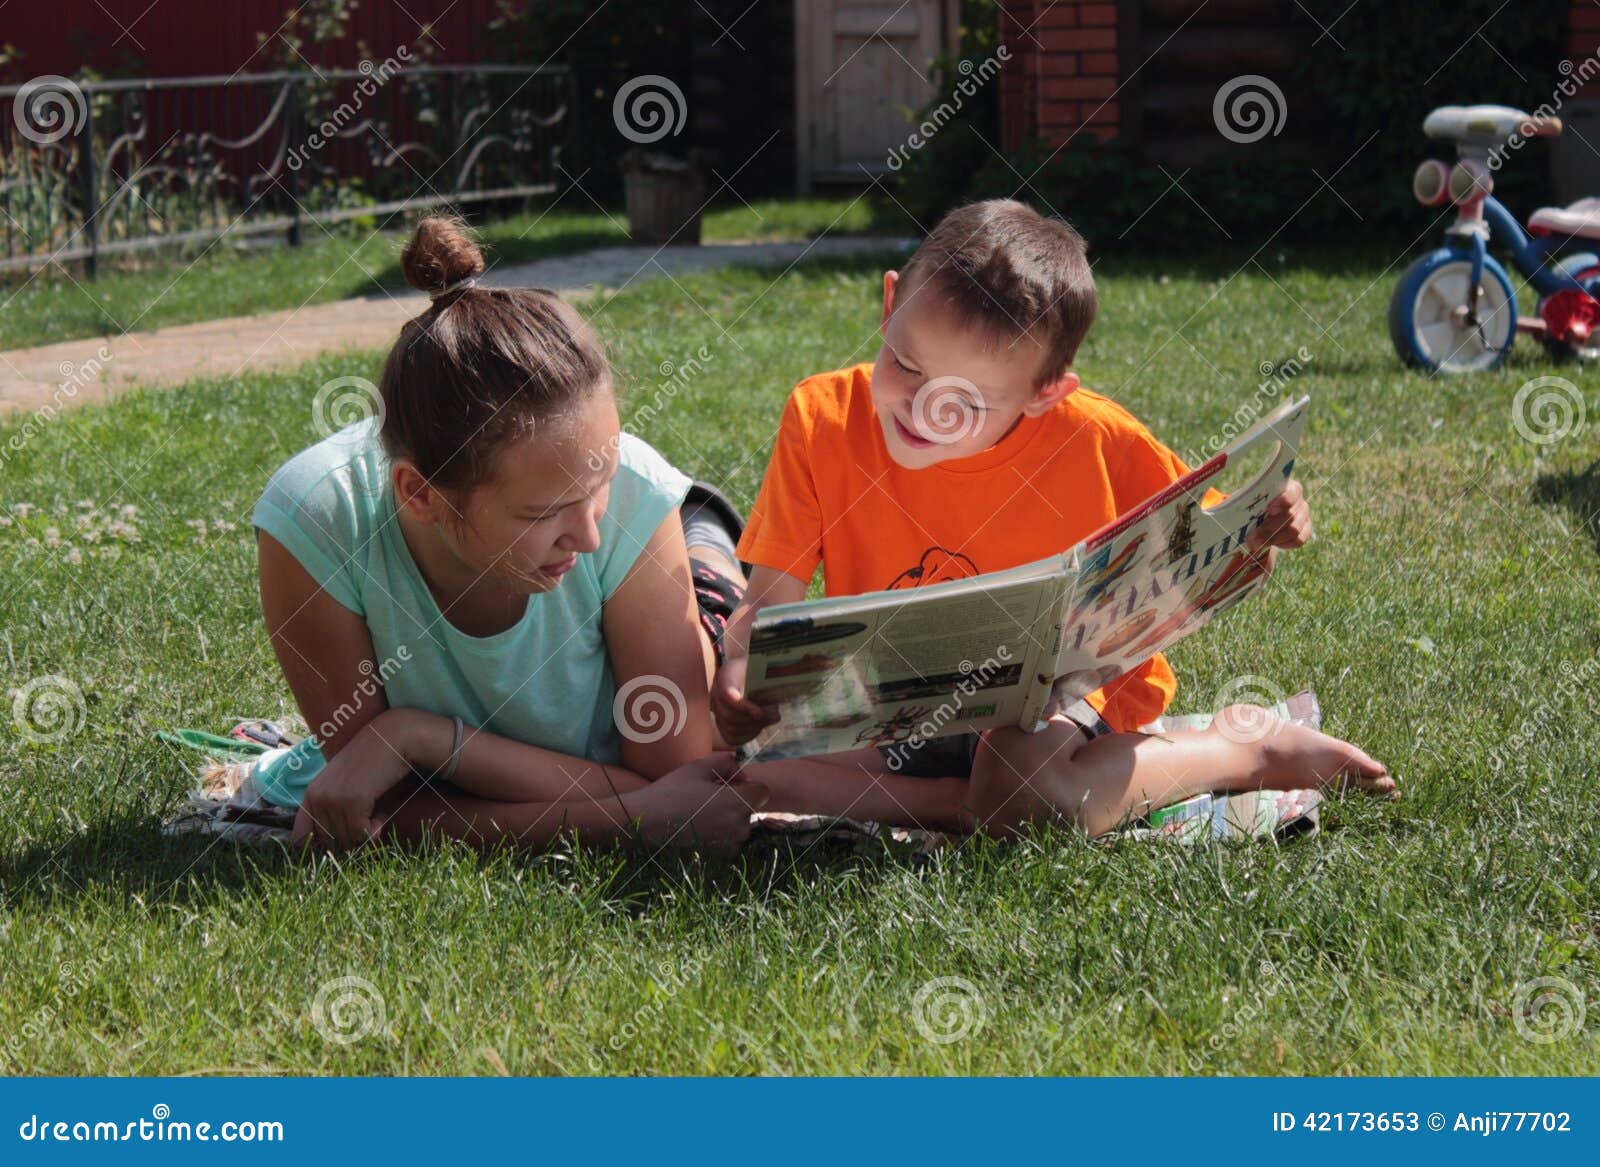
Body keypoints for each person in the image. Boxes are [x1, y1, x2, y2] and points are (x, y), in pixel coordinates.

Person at [711, 199, 1396, 839]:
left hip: (1056, 709)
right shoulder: (822, 416)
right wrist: (739, 670)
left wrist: (1269, 529)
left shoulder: (1099, 440)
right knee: (727, 777)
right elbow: (767, 608)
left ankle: (1242, 748)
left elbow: (1218, 557)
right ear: (890, 304)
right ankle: (965, 806)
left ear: (1045, 392)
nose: (927, 412)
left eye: (970, 403)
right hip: (897, 718)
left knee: (1021, 789)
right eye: (905, 365)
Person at [252, 214, 764, 855]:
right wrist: (631, 815)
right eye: (541, 512)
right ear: (420, 494)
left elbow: (678, 778)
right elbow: (374, 807)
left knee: (722, 637)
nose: (588, 537)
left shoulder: (630, 497)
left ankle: (706, 534)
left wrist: (421, 738)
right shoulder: (317, 524)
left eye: (598, 482)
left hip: (675, 545)